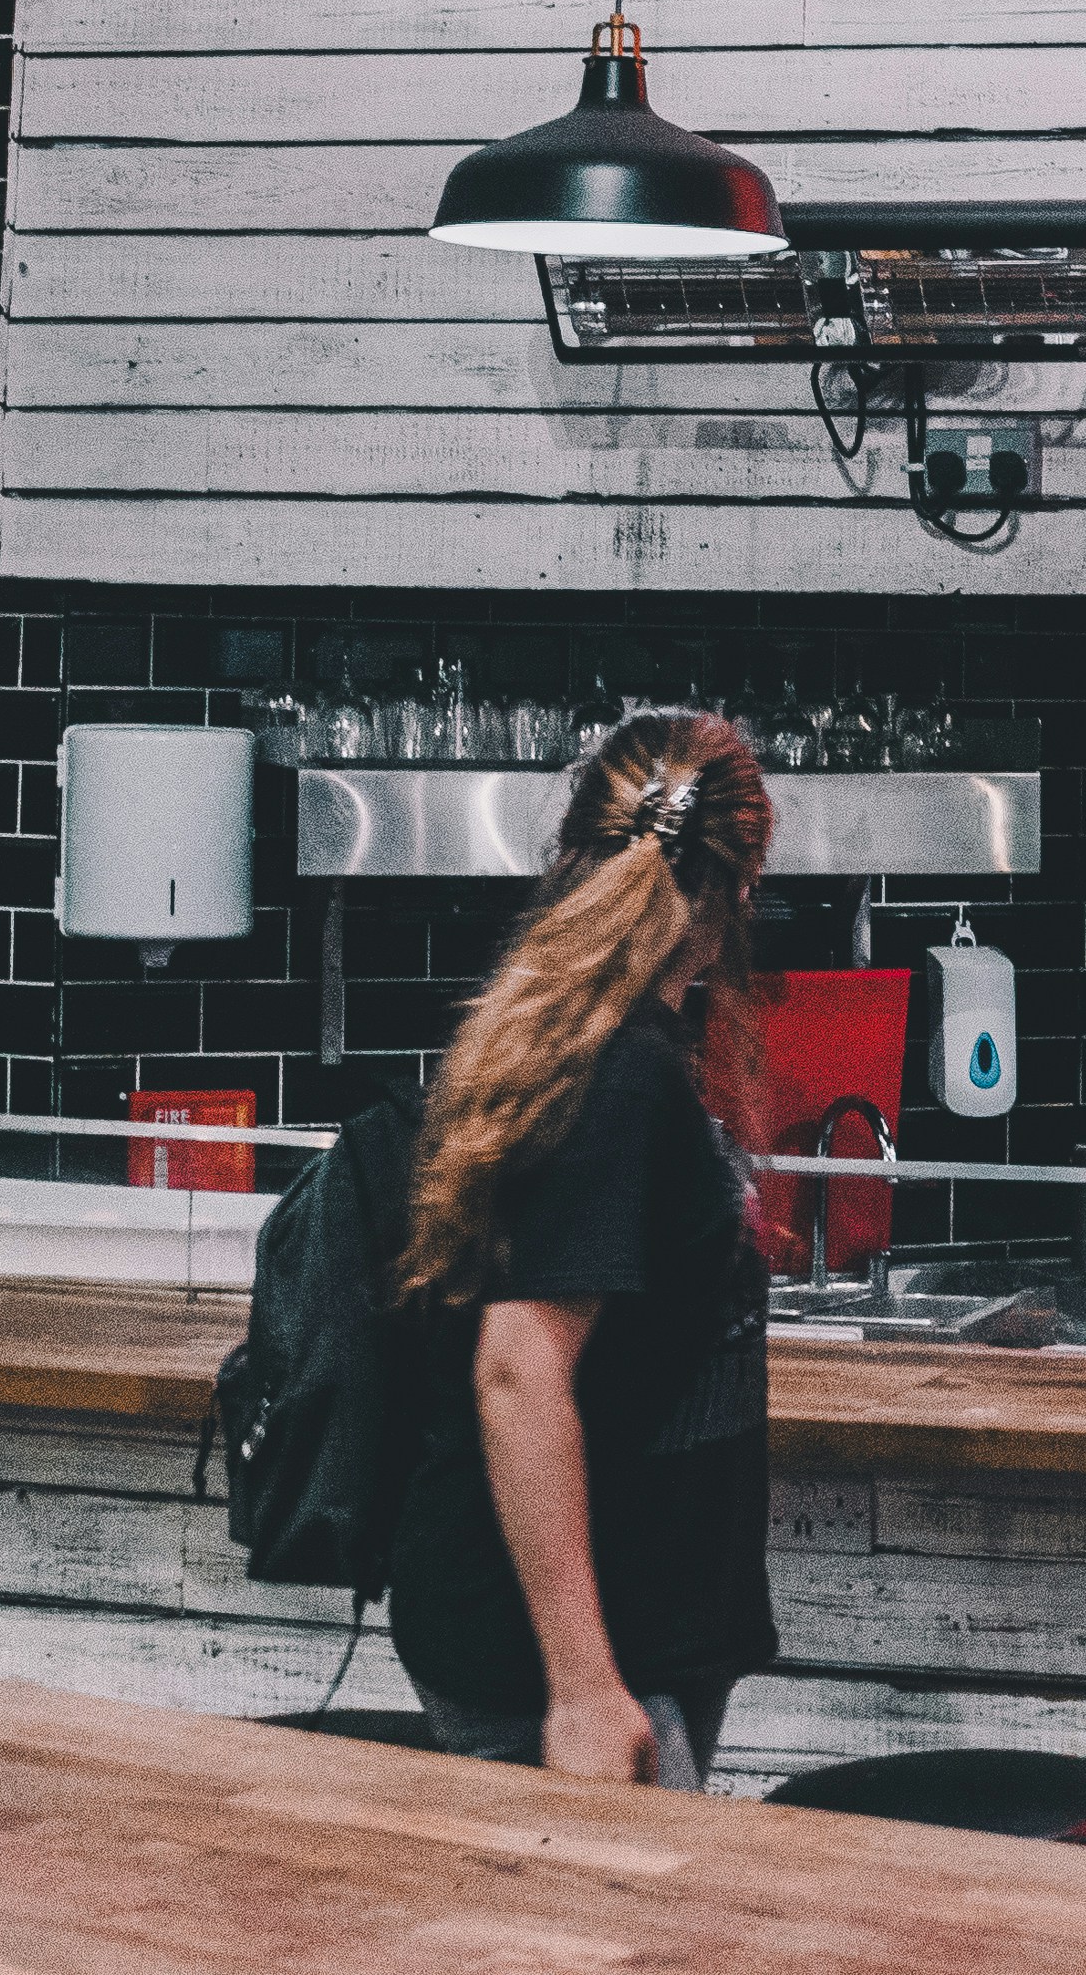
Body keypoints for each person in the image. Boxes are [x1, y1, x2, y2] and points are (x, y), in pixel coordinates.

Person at [388, 712, 779, 1787]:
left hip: (586, 1632)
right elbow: (518, 1370)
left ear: (572, 853)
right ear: (738, 887)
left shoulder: (565, 1039)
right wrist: (582, 1689)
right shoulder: (622, 1075)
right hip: (578, 1664)